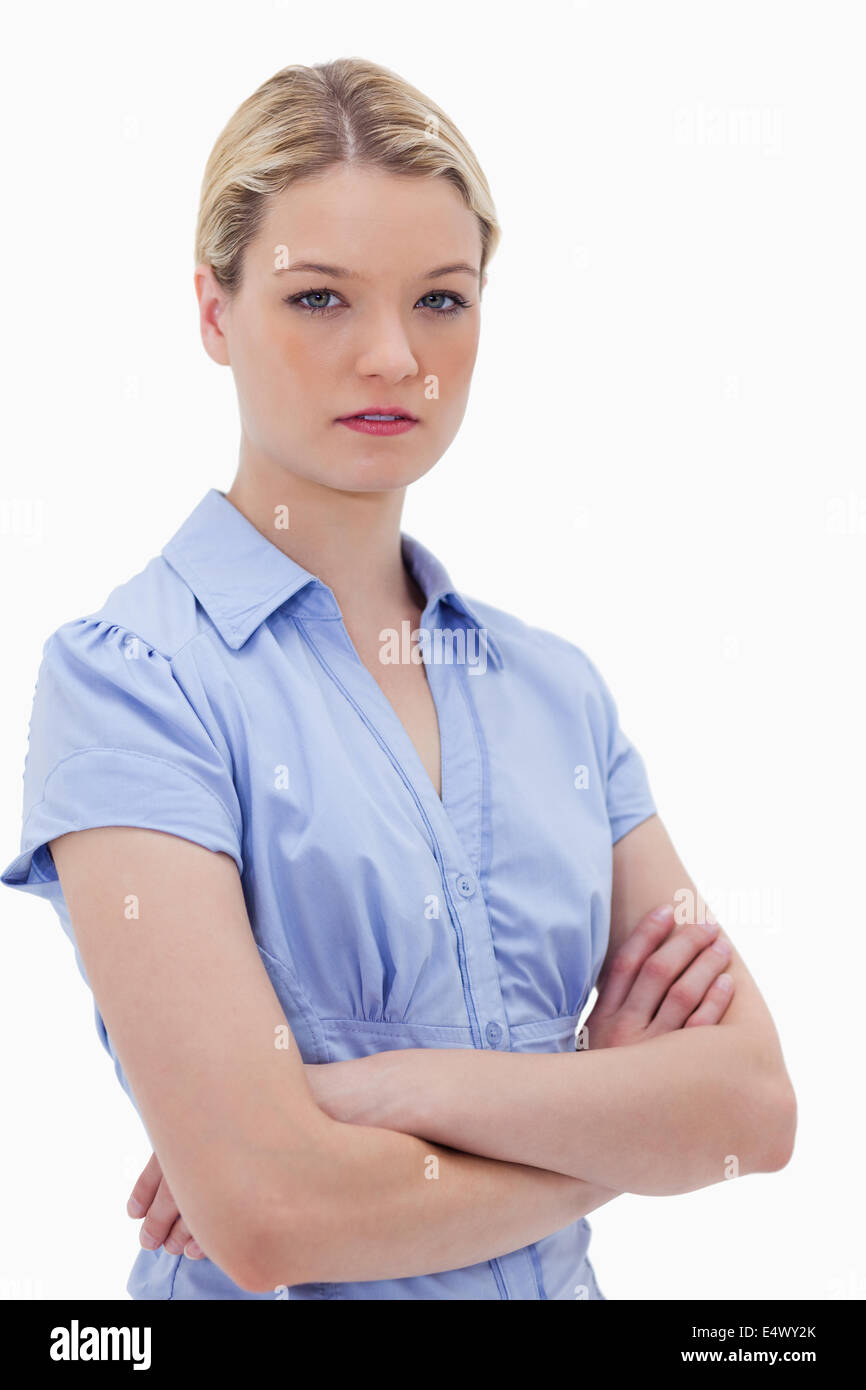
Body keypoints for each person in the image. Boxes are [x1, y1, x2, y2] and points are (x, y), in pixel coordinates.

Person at [1, 57, 796, 1301]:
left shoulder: (556, 695)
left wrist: (370, 1094)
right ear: (211, 310)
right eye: (318, 298)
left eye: (440, 298)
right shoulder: (132, 685)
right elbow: (268, 1218)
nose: (390, 356)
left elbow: (751, 1107)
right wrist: (616, 1126)